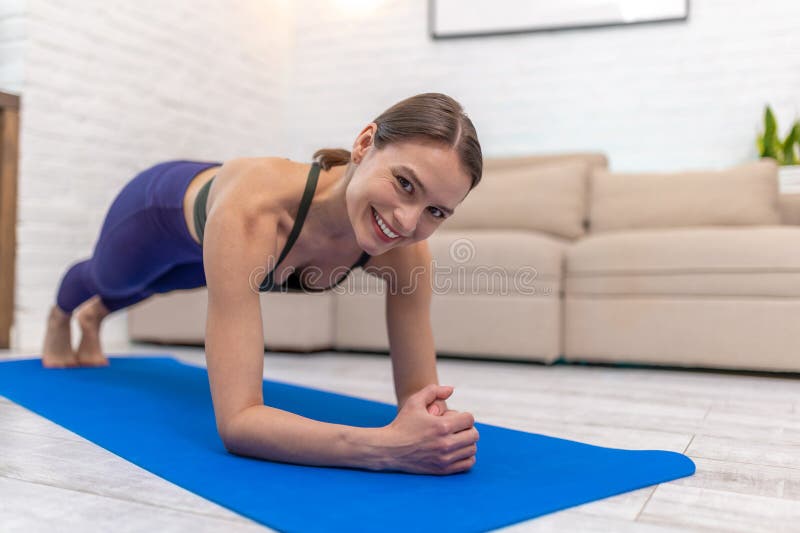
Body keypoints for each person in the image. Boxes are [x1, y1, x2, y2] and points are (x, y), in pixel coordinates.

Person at [42, 93, 483, 475]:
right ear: (365, 144)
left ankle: (94, 315)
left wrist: (431, 426)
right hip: (155, 211)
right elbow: (239, 422)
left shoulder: (406, 252)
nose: (408, 221)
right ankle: (63, 315)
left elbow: (420, 398)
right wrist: (384, 448)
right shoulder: (255, 211)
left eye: (436, 212)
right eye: (405, 183)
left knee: (166, 283)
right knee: (113, 277)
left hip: (220, 242)